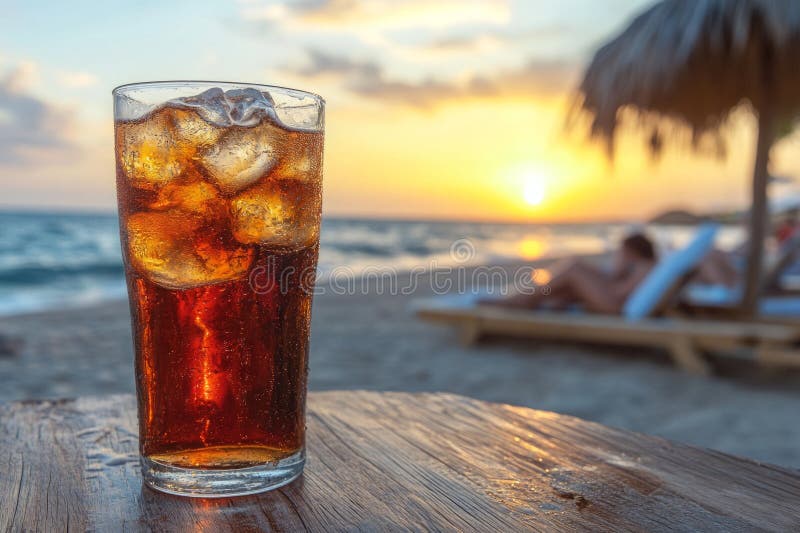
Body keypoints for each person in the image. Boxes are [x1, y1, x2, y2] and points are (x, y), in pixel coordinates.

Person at [482, 233, 658, 314]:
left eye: (622, 252)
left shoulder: (645, 267)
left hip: (613, 305)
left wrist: (614, 274)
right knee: (573, 276)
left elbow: (619, 294)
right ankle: (537, 301)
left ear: (632, 251)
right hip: (611, 300)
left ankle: (521, 300)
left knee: (574, 268)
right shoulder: (643, 266)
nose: (619, 256)